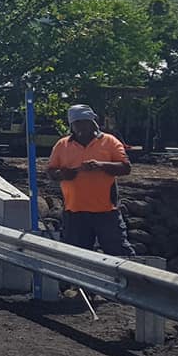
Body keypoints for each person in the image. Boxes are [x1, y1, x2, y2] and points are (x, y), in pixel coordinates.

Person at [46, 104, 134, 256]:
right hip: (75, 212)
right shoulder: (62, 145)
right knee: (76, 256)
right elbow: (51, 171)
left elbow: (125, 167)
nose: (82, 127)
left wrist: (100, 165)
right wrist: (63, 174)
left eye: (86, 122)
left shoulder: (110, 141)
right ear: (72, 126)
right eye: (78, 123)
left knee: (119, 253)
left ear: (94, 123)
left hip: (106, 211)